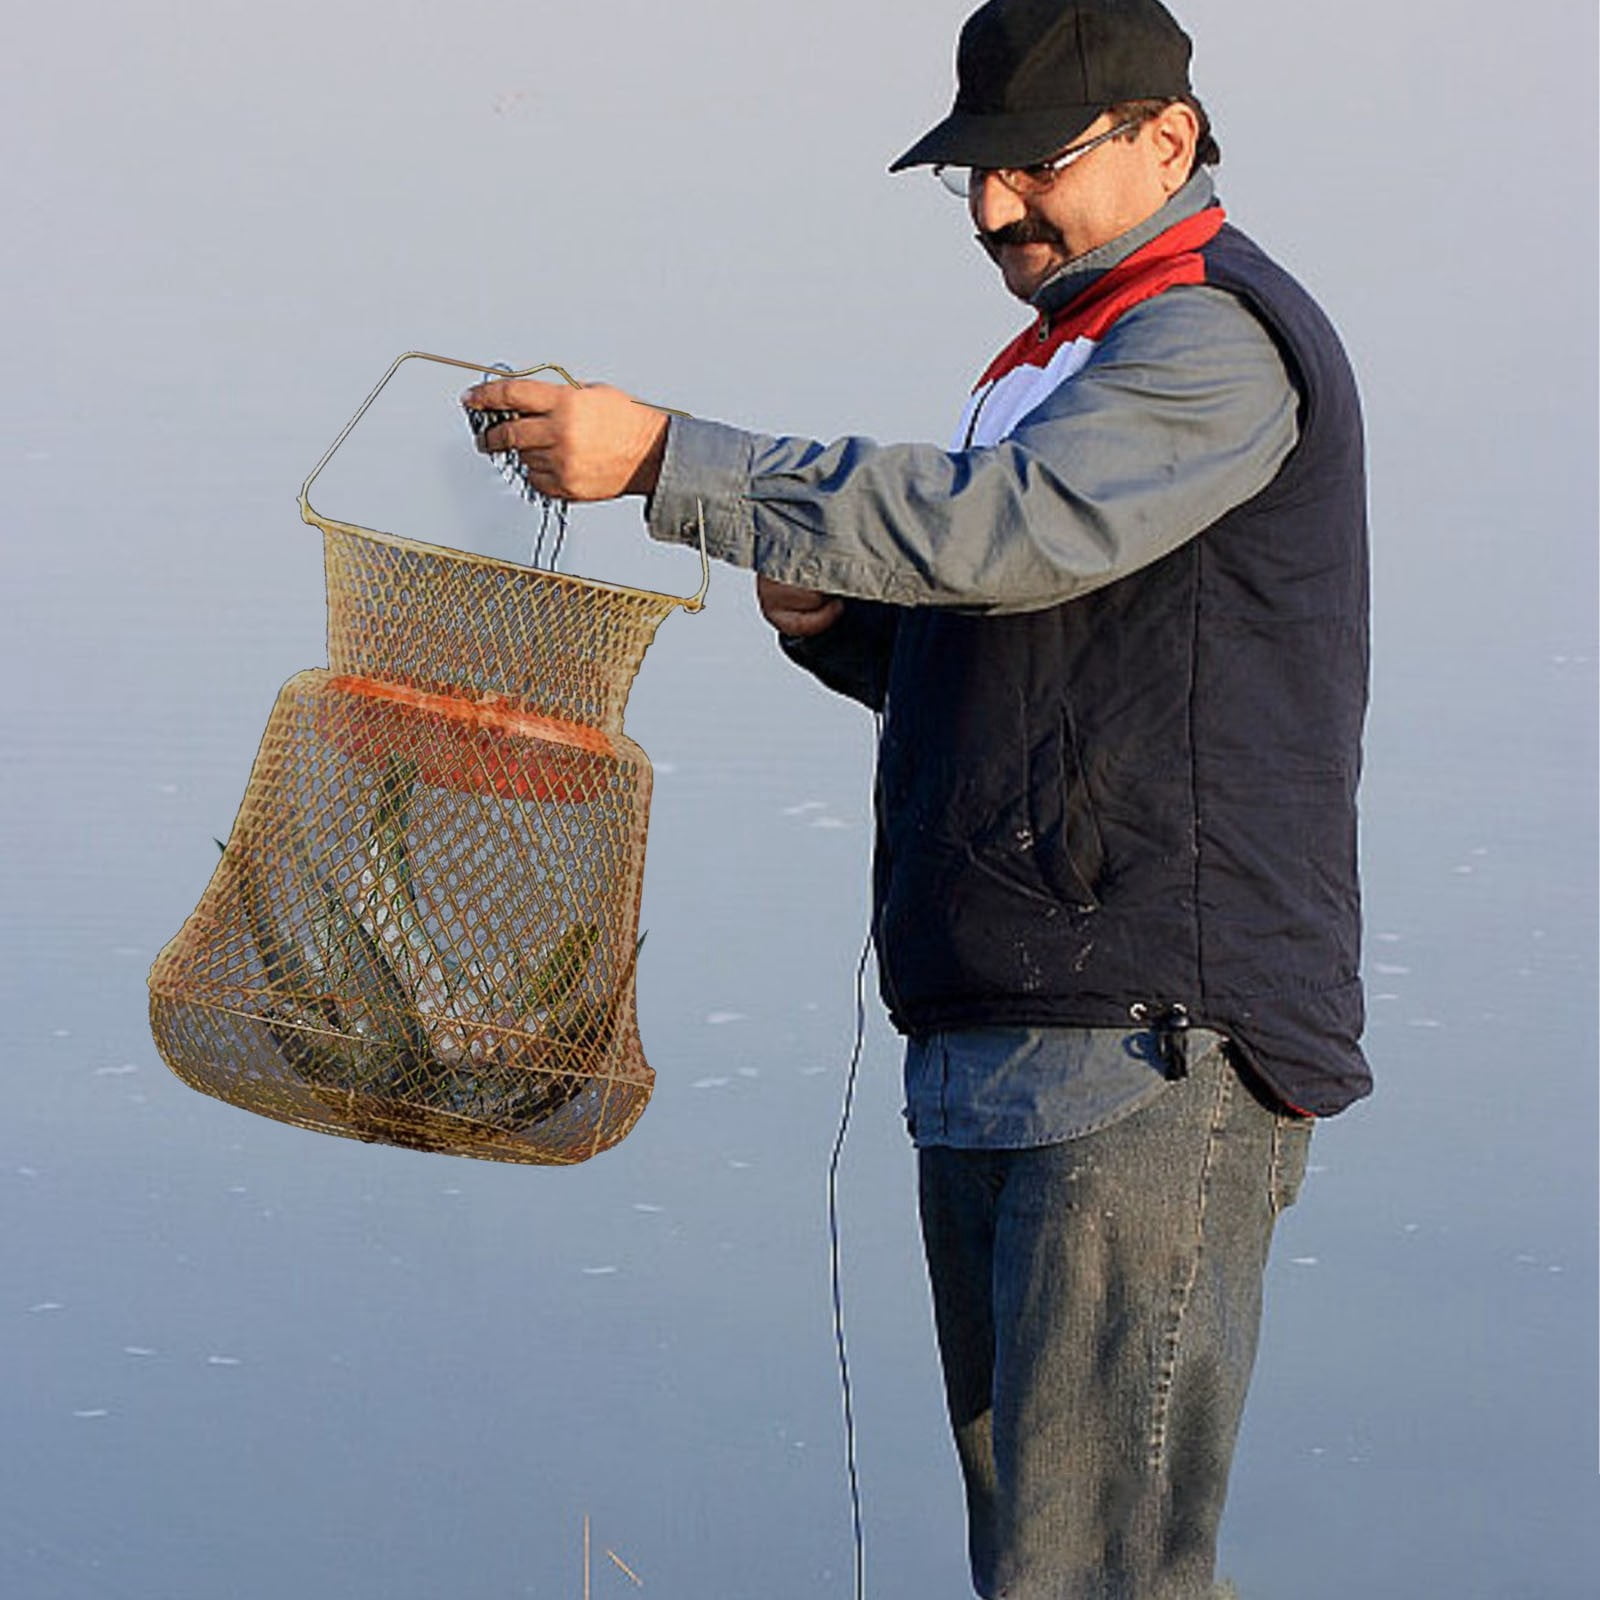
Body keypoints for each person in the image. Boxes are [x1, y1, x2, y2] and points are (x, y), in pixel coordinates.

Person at [465, 0, 1370, 1593]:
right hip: (1007, 1023)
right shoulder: (1063, 358)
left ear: (1171, 137)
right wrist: (846, 621)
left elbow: (1003, 530)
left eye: (1035, 166)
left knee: (1098, 1570)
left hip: (1152, 1036)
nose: (998, 209)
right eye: (971, 175)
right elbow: (1049, 647)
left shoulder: (1212, 340)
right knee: (1035, 1558)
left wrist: (675, 456)